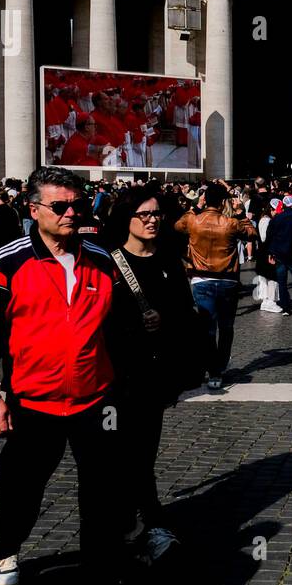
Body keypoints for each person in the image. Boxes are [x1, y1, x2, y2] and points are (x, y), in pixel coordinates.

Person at [0, 165, 125, 585]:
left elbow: (117, 330)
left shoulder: (103, 260)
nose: (71, 212)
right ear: (34, 209)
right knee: (21, 488)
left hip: (94, 398)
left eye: (77, 203)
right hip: (32, 400)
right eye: (60, 206)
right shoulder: (4, 262)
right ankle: (3, 550)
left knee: (102, 490)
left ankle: (100, 560)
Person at [104, 183, 200, 564]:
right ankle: (138, 519)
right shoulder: (107, 262)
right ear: (126, 218)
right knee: (117, 454)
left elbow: (185, 315)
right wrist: (133, 325)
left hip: (152, 377)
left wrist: (168, 322)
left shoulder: (169, 260)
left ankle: (139, 521)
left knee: (142, 453)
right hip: (112, 377)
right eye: (143, 214)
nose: (151, 221)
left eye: (156, 214)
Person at [174, 182, 255, 389]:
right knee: (226, 327)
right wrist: (240, 213)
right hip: (227, 280)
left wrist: (196, 206)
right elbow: (252, 234)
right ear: (222, 203)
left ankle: (213, 370)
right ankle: (220, 366)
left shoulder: (194, 220)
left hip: (201, 279)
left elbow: (178, 225)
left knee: (208, 328)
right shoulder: (230, 222)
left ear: (205, 199)